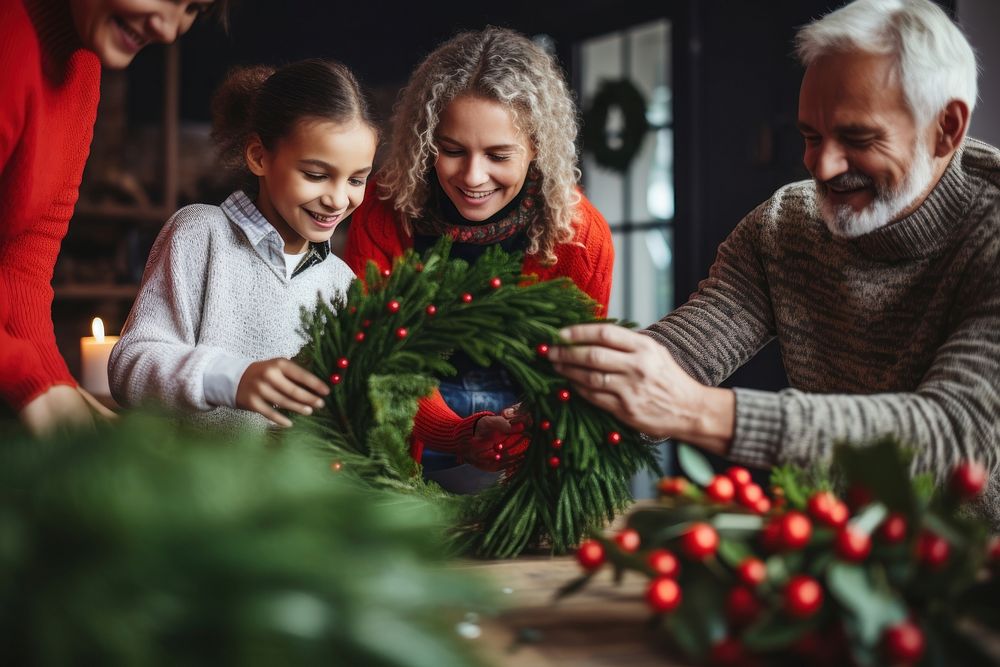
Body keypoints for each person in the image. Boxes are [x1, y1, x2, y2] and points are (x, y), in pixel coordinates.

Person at [548, 0, 1000, 526]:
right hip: (831, 553)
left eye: (858, 138)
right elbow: (690, 347)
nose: (823, 166)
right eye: (811, 136)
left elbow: (953, 436)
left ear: (946, 127)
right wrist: (562, 396)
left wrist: (698, 410)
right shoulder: (786, 224)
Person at [345, 27, 614, 492]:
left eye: (498, 155)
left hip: (528, 424)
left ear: (537, 150)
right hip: (407, 413)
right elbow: (381, 353)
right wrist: (455, 431)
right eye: (451, 151)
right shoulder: (383, 213)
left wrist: (525, 431)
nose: (473, 177)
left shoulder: (581, 235)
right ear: (426, 140)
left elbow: (575, 372)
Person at [109, 59, 378, 431]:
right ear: (259, 156)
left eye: (356, 180)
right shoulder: (202, 234)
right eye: (316, 175)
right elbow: (130, 365)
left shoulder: (341, 283)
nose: (337, 199)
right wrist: (232, 378)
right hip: (182, 483)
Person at [0, 0, 226, 436]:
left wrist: (54, 385)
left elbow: (23, 268)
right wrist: (30, 381)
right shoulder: (9, 37)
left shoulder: (82, 72)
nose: (169, 29)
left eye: (193, 8)